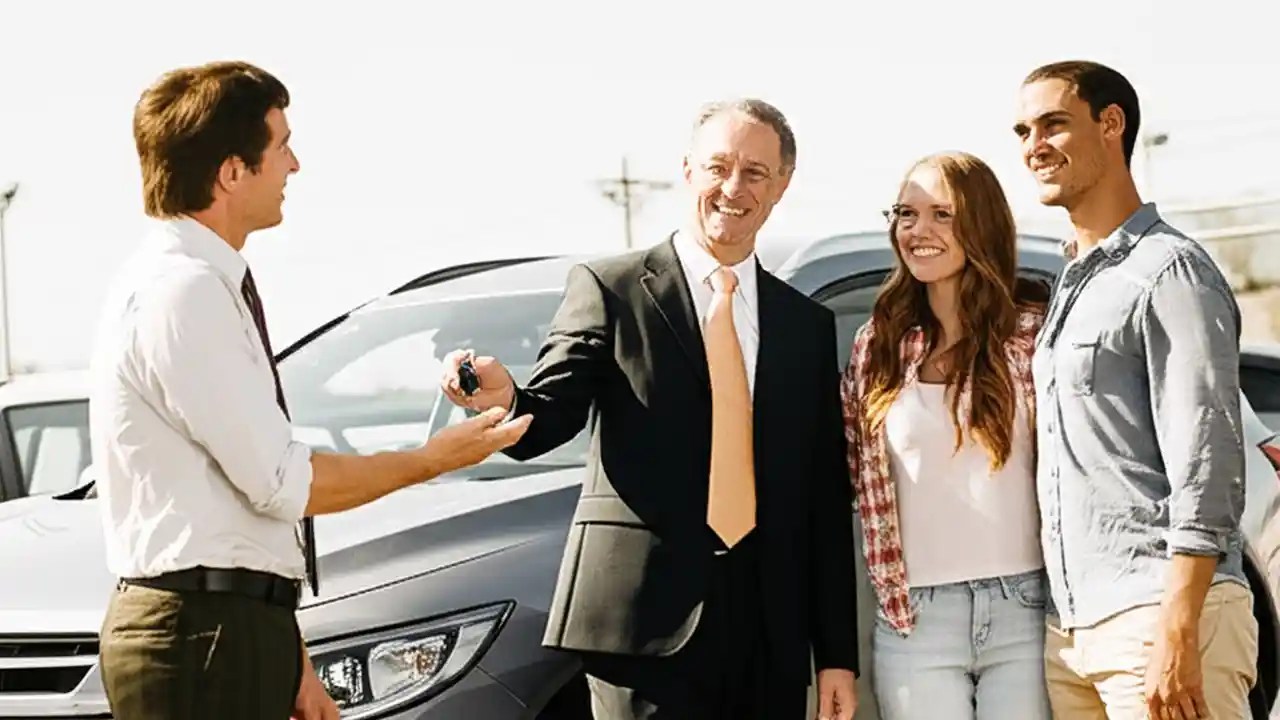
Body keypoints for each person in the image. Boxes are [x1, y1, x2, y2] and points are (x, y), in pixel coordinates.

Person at [89, 60, 532, 720]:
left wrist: (291, 658)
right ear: (231, 172)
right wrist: (435, 459)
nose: (295, 165)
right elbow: (283, 483)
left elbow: (239, 518)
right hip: (202, 639)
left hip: (226, 629)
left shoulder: (197, 283)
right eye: (281, 145)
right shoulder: (182, 293)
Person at [439, 98, 859, 719]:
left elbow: (822, 500)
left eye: (755, 172)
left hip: (767, 634)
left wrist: (835, 657)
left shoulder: (805, 324)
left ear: (781, 186)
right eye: (718, 167)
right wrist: (505, 400)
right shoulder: (610, 289)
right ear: (688, 170)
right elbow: (548, 414)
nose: (733, 188)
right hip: (639, 627)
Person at [1014, 60, 1259, 718]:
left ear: (1111, 125)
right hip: (1076, 635)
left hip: (1159, 617)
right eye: (1022, 130)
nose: (1032, 144)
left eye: (1053, 124)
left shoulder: (1169, 271)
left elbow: (1208, 463)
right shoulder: (1075, 281)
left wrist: (1177, 630)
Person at [839, 151, 1051, 719]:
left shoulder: (1033, 333)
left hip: (1026, 607)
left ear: (980, 223)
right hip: (915, 619)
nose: (919, 231)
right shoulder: (877, 344)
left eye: (942, 214)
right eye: (906, 214)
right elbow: (854, 473)